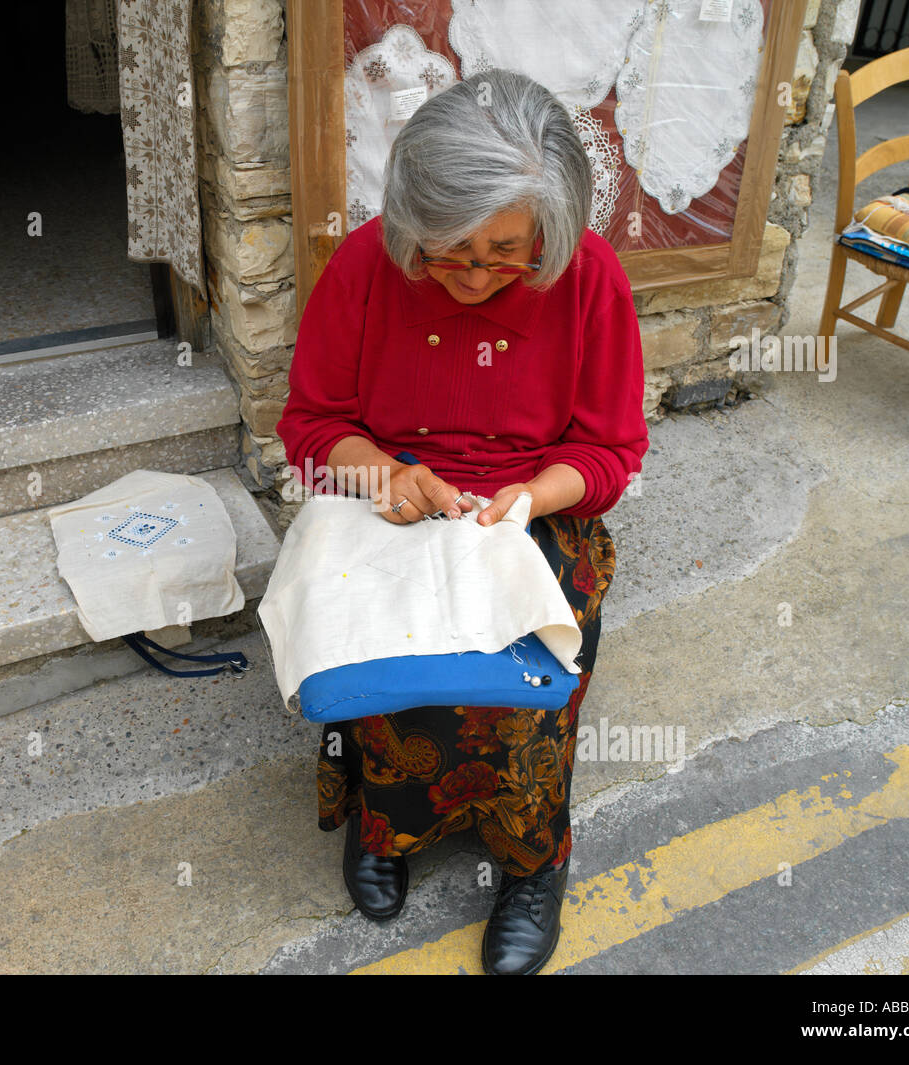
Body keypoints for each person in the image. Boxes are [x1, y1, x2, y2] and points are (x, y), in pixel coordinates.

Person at [274, 68, 649, 975]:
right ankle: (382, 826)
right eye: (449, 251)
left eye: (504, 251)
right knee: (377, 648)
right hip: (396, 496)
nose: (476, 274)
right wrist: (384, 475)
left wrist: (527, 500)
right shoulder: (368, 264)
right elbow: (312, 429)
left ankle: (531, 860)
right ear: (409, 222)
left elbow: (610, 453)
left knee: (522, 670)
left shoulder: (587, 277)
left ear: (548, 231)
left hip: (529, 505)